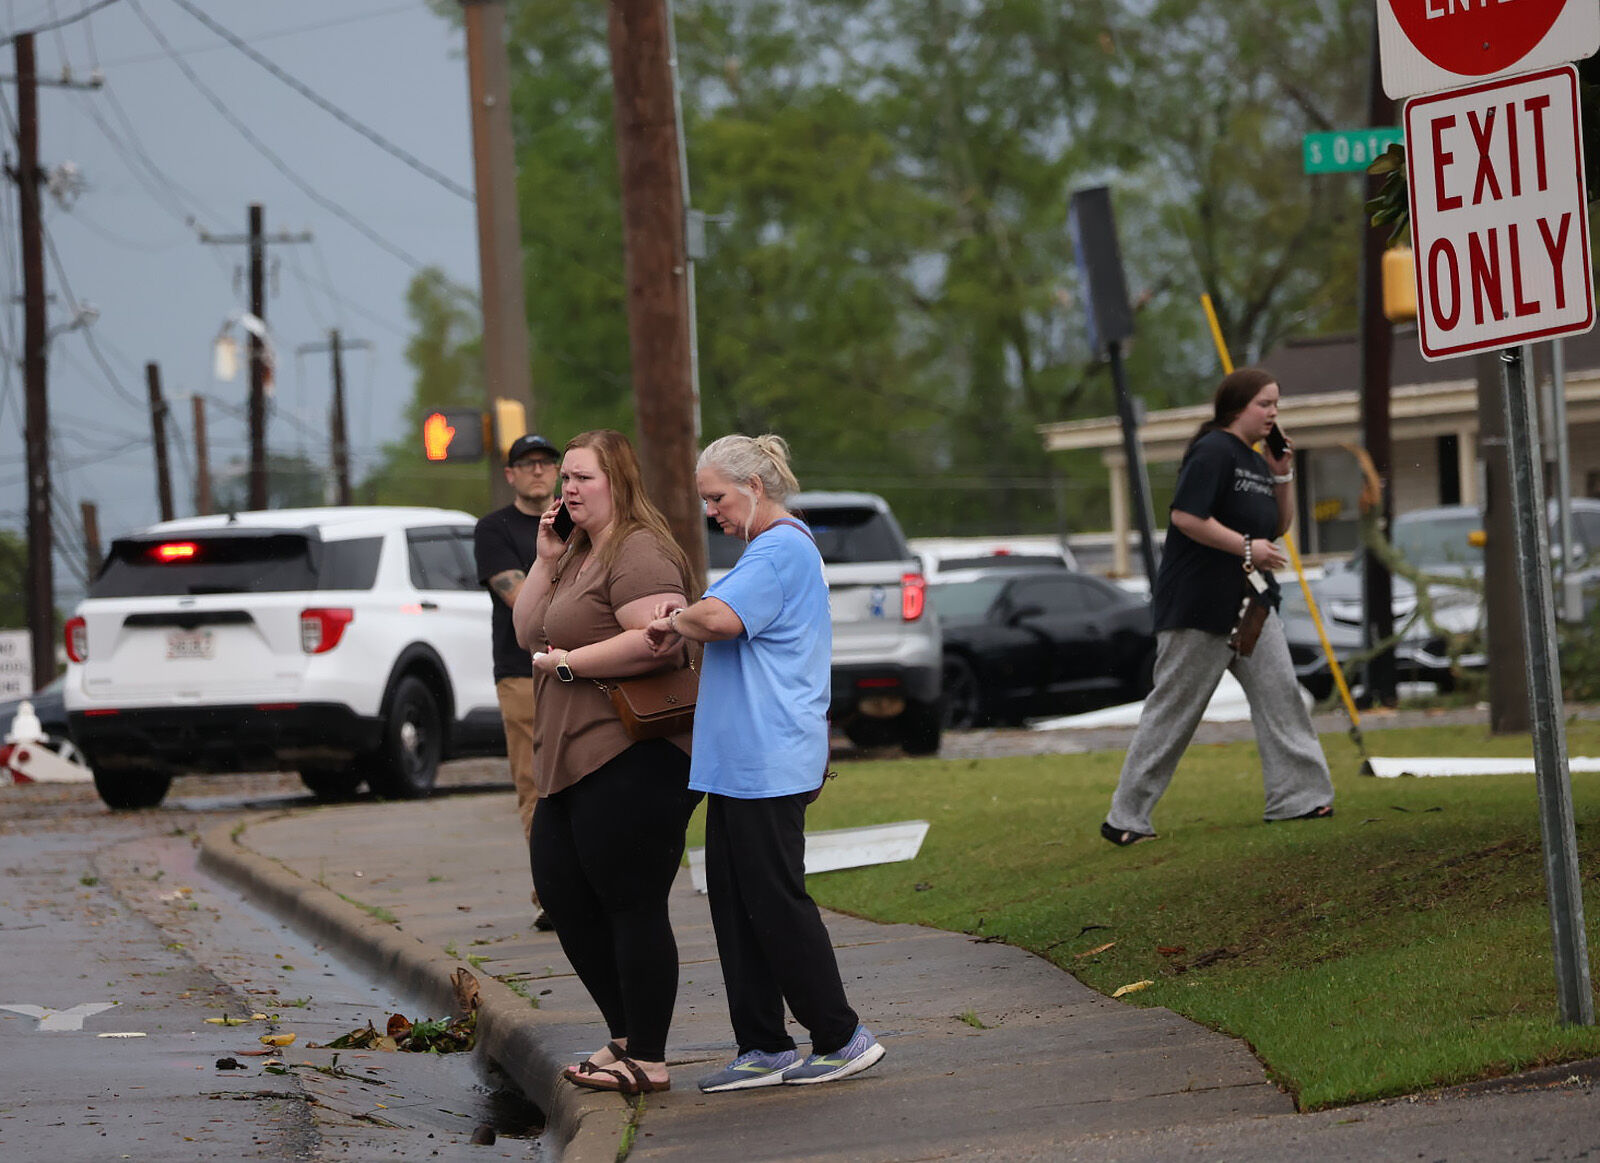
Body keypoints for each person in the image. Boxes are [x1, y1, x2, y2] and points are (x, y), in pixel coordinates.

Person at [644, 433, 885, 1093]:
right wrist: (689, 616)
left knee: (774, 900)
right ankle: (763, 1043)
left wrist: (678, 618)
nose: (713, 511)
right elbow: (718, 614)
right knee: (734, 900)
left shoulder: (779, 547)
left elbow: (721, 618)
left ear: (754, 487)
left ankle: (840, 1035)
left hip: (768, 758)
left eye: (717, 497)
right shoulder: (766, 549)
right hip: (741, 761)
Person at [511, 429, 701, 1096]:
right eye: (564, 477)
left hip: (635, 754)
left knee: (631, 901)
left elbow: (659, 644)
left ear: (617, 481)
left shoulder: (639, 550)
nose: (567, 488)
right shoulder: (577, 553)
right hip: (572, 759)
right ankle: (625, 1032)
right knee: (562, 889)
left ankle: (647, 1054)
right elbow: (525, 630)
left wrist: (569, 662)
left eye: (582, 478)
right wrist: (544, 559)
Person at [1101, 367, 1335, 846]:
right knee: (1174, 710)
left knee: (1281, 695)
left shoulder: (1252, 461)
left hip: (1251, 604)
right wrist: (1247, 549)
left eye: (1276, 405)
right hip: (1199, 606)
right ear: (1236, 406)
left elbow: (1278, 527)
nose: (1273, 413)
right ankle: (1126, 818)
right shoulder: (1212, 452)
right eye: (1264, 405)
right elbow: (1186, 517)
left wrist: (1283, 473)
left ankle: (1299, 799)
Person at [474, 433, 562, 931]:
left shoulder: (579, 521)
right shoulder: (495, 529)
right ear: (510, 474)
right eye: (526, 464)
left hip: (584, 664)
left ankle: (586, 887)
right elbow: (520, 599)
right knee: (536, 785)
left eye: (546, 463)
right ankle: (550, 895)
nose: (537, 471)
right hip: (522, 671)